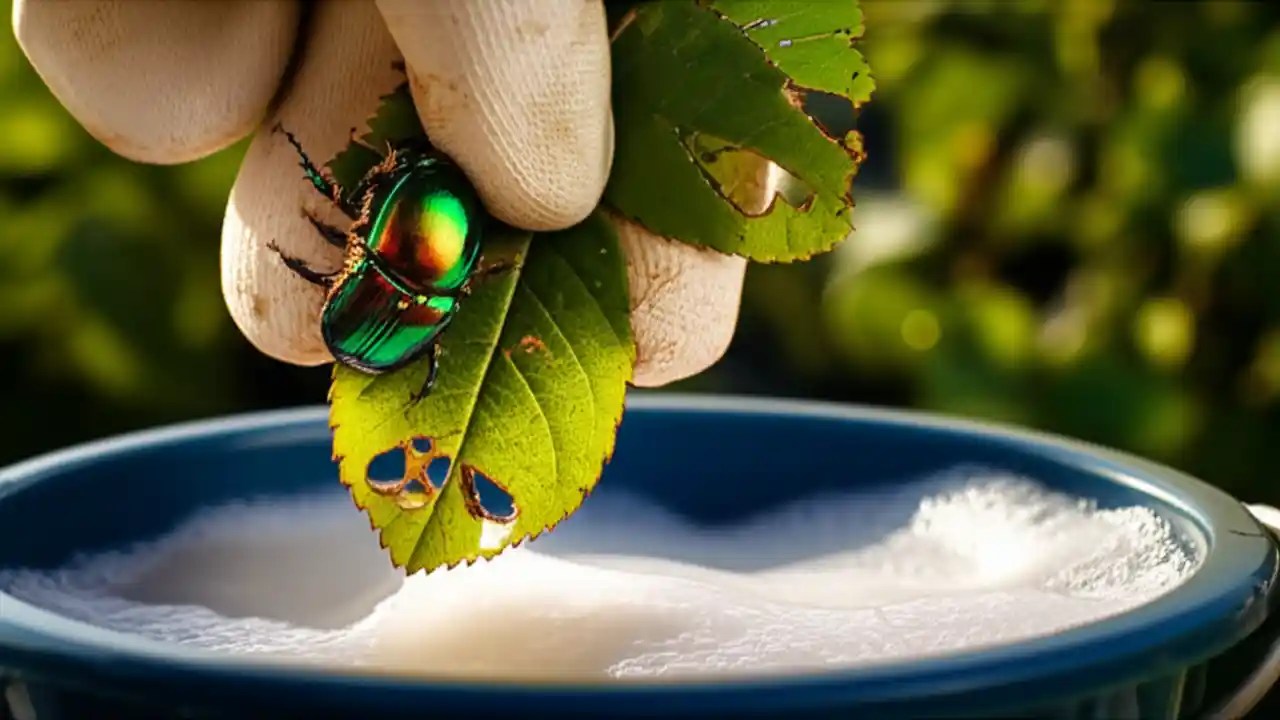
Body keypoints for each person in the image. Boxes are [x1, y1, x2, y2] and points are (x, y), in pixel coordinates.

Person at [12, 0, 748, 387]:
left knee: (301, 258)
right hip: (394, 296)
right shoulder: (422, 270)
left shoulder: (413, 259)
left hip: (396, 290)